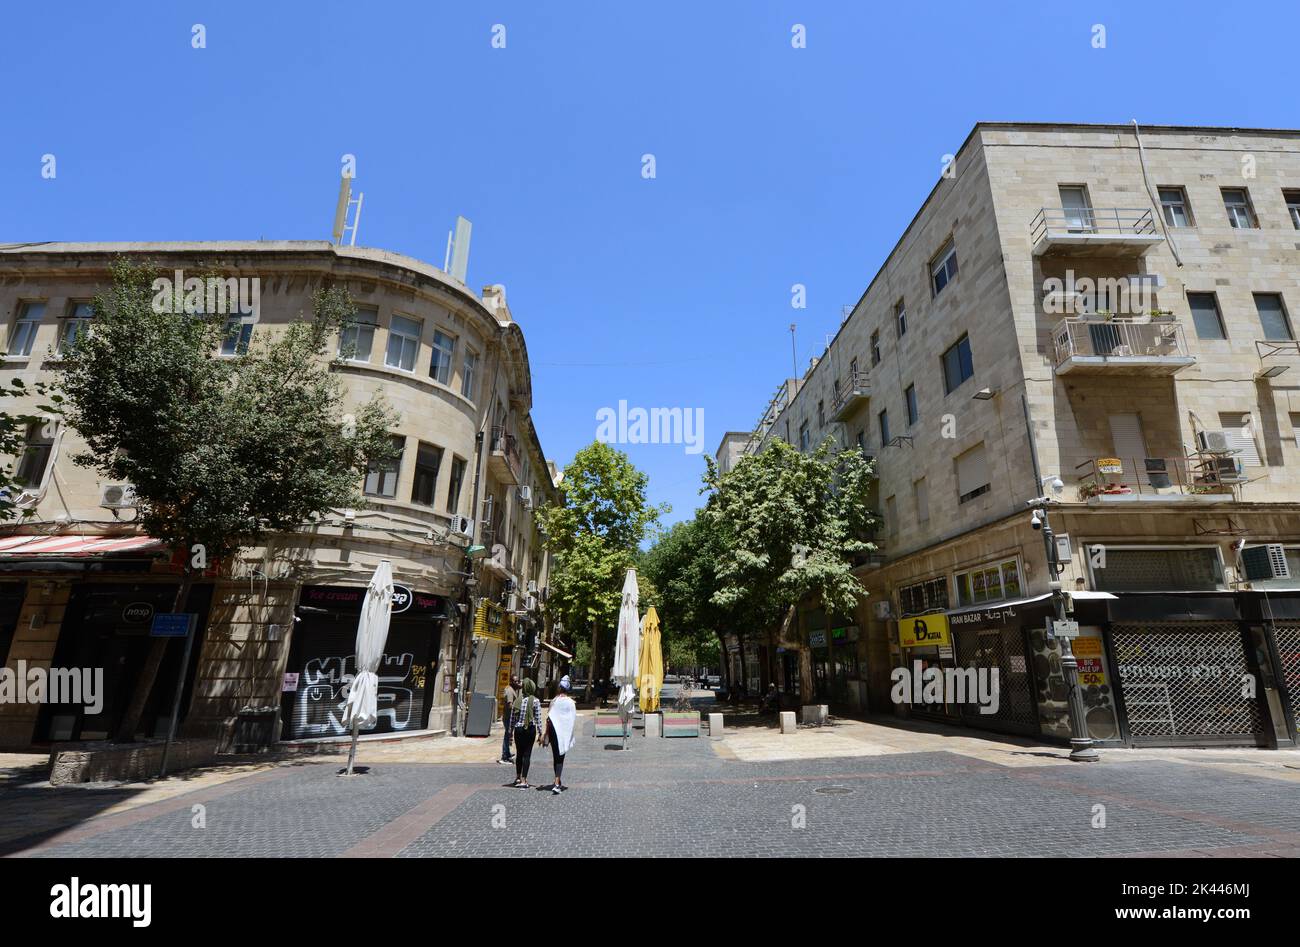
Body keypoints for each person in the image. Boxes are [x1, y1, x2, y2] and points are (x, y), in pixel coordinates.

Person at [542, 675, 578, 795]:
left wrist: (546, 734)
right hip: (563, 733)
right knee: (560, 757)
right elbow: (572, 720)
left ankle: (557, 780)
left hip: (553, 732)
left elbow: (549, 718)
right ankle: (557, 782)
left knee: (556, 756)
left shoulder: (554, 701)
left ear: (559, 688)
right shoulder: (571, 703)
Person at [510, 678, 543, 790]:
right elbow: (538, 718)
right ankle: (524, 779)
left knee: (519, 753)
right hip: (530, 729)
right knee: (527, 754)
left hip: (518, 730)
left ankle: (518, 777)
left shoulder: (517, 701)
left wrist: (510, 731)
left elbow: (512, 718)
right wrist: (540, 732)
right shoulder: (535, 701)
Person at [498, 676, 519, 765]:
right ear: (511, 681)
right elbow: (510, 705)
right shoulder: (510, 691)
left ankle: (507, 753)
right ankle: (504, 756)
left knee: (509, 734)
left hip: (510, 717)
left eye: (518, 681)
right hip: (508, 718)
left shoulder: (511, 689)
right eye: (515, 681)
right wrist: (518, 709)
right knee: (507, 735)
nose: (517, 682)